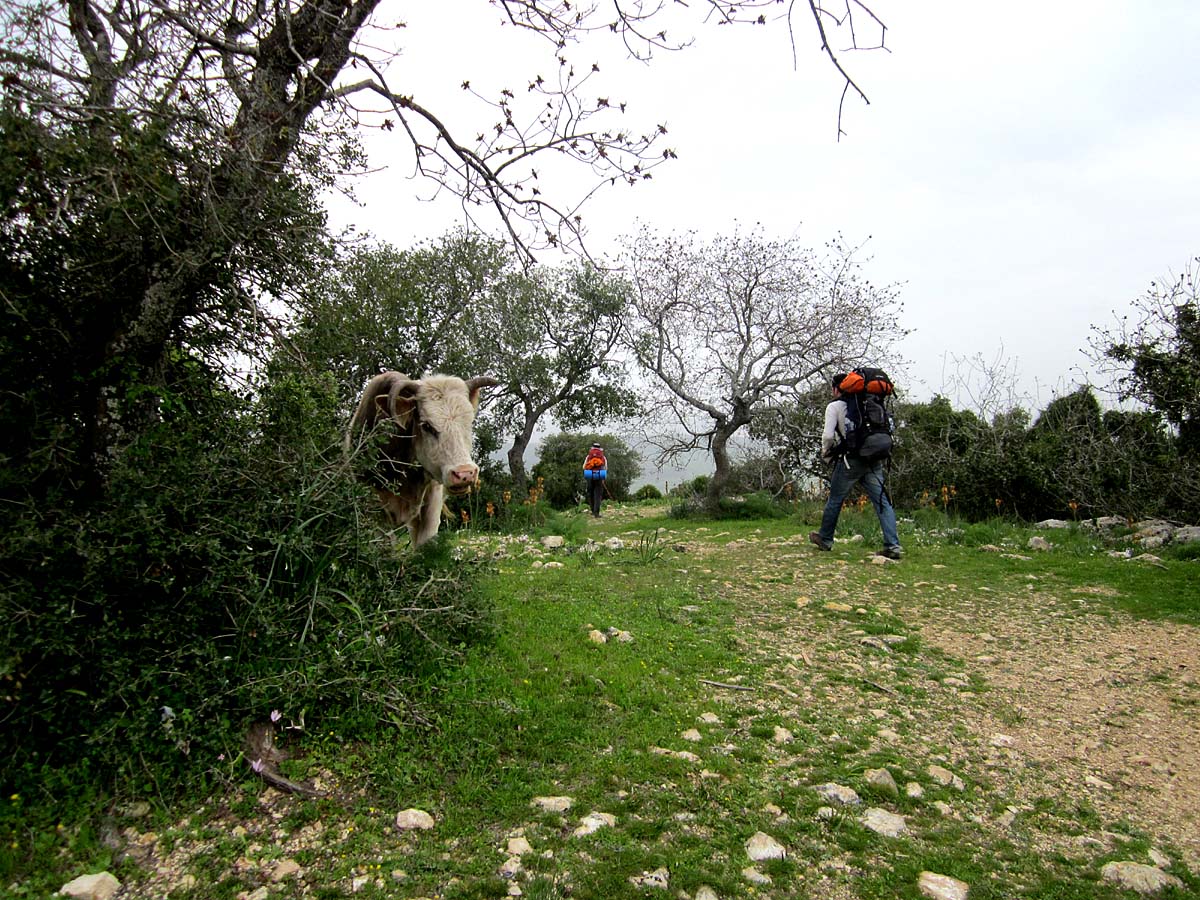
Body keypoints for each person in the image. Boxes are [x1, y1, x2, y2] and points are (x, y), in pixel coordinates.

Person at [809, 373, 903, 559]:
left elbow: (828, 436)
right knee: (882, 502)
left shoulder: (834, 407)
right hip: (874, 459)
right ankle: (893, 546)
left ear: (837, 389)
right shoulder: (870, 404)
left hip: (851, 461)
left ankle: (826, 539)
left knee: (835, 499)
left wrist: (826, 454)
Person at [582, 443, 608, 517]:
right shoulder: (603, 457)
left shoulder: (588, 456)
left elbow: (584, 467)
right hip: (599, 475)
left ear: (592, 448)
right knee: (598, 494)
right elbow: (605, 468)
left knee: (590, 493)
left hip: (589, 475)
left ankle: (592, 511)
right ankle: (596, 513)